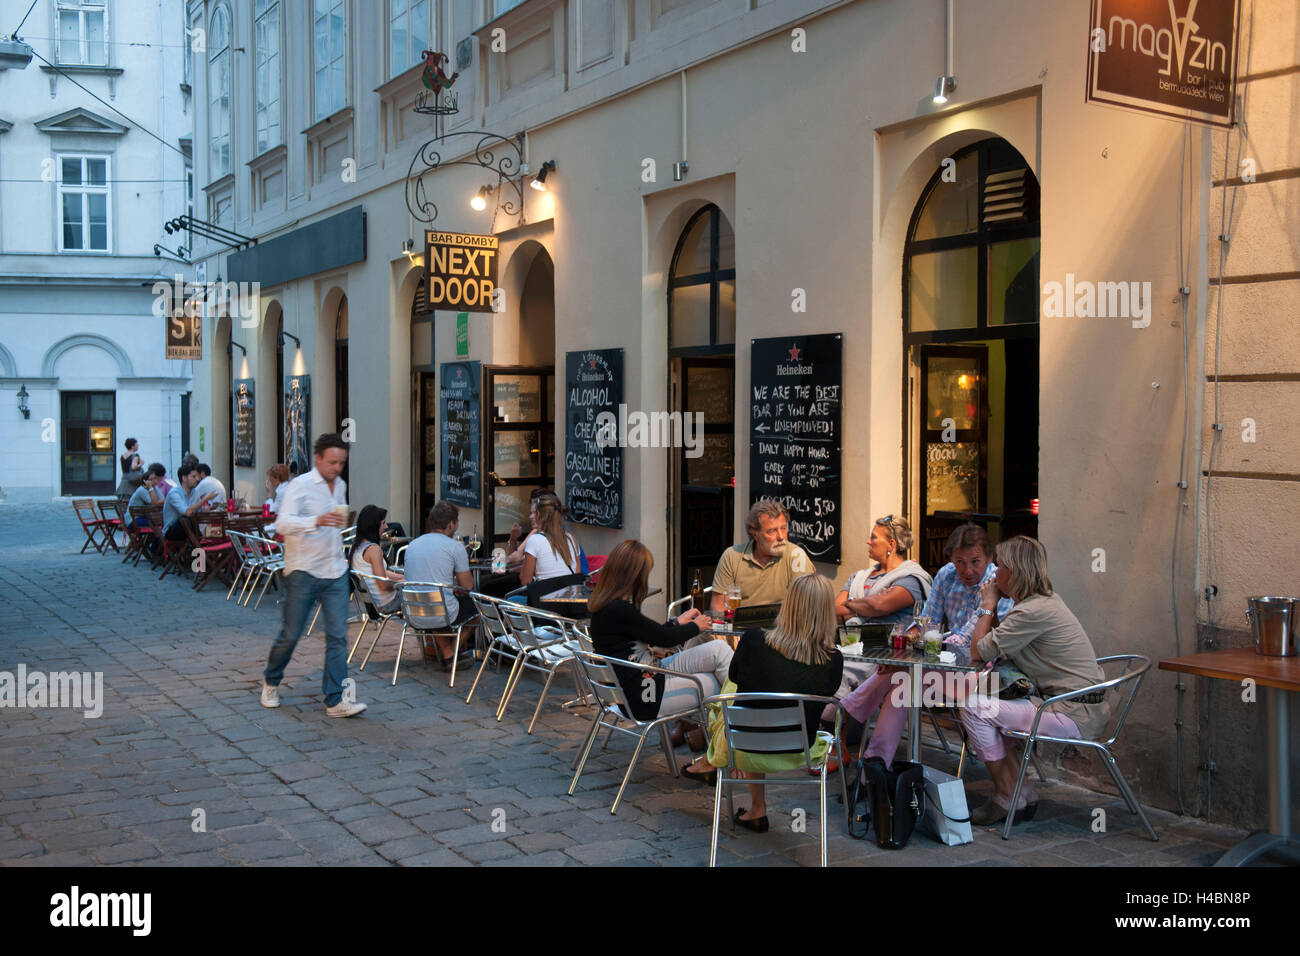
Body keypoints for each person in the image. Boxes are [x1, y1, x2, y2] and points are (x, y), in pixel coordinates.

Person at [959, 536, 1109, 826]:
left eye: (998, 566)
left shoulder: (1032, 611)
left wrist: (988, 605)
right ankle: (1022, 794)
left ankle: (1006, 797)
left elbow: (977, 650)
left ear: (1013, 571)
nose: (993, 573)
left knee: (973, 707)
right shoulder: (1043, 603)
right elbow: (997, 645)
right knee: (981, 698)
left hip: (1071, 713)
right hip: (1069, 704)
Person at [839, 523, 1007, 768]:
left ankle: (845, 723)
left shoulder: (997, 582)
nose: (967, 570)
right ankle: (874, 769)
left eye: (975, 562)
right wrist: (906, 648)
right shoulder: (947, 574)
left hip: (986, 677)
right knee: (903, 681)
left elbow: (970, 643)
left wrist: (908, 657)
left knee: (902, 676)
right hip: (943, 671)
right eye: (960, 562)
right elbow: (925, 622)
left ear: (990, 557)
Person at [587, 540, 727, 775]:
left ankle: (740, 725)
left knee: (719, 652)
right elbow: (663, 638)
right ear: (634, 576)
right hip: (646, 696)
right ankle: (739, 740)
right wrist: (696, 626)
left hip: (643, 681)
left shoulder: (606, 606)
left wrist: (678, 622)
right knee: (718, 683)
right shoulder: (621, 611)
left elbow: (652, 634)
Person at [719, 573, 845, 831]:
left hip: (744, 741)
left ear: (788, 605)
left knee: (742, 695)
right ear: (826, 613)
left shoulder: (754, 640)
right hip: (800, 747)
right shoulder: (834, 660)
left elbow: (733, 676)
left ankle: (756, 807)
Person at [261, 433, 367, 718]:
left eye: (341, 463)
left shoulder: (341, 485)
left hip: (334, 570)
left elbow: (336, 523)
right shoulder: (300, 486)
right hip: (303, 570)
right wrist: (316, 521)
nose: (337, 468)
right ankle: (271, 680)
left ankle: (335, 700)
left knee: (337, 636)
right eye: (332, 462)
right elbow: (282, 523)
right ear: (318, 458)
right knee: (292, 633)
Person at [403, 500, 478, 667]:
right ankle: (452, 652)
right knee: (477, 610)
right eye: (457, 522)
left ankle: (447, 653)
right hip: (441, 612)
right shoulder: (454, 547)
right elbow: (468, 587)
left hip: (414, 611)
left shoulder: (412, 545)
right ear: (451, 524)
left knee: (435, 603)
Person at [709, 500, 814, 617]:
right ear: (754, 534)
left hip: (781, 630)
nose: (780, 537)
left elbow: (807, 606)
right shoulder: (732, 556)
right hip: (741, 630)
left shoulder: (796, 556)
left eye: (783, 528)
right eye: (772, 531)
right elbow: (718, 606)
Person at [835, 515, 932, 628]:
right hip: (852, 643)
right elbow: (832, 613)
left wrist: (849, 603)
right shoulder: (858, 577)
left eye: (873, 537)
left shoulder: (911, 578)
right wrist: (867, 607)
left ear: (891, 545)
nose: (868, 542)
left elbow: (879, 606)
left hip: (890, 644)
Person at [349, 505, 405, 615]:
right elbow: (383, 585)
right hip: (388, 604)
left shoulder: (355, 547)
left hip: (373, 604)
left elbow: (380, 573)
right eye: (383, 523)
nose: (386, 526)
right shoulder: (373, 550)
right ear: (374, 526)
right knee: (426, 594)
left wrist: (404, 577)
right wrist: (402, 582)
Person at [519, 493, 581, 590]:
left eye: (534, 513)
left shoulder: (535, 540)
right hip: (570, 601)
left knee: (509, 599)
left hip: (544, 602)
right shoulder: (571, 538)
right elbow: (576, 576)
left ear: (538, 514)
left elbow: (525, 581)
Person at [162, 463, 216, 542]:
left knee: (209, 523)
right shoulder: (174, 493)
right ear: (184, 478)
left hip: (190, 529)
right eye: (193, 476)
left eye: (197, 476)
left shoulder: (195, 492)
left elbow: (198, 511)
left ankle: (206, 541)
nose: (197, 479)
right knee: (185, 519)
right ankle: (201, 545)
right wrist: (204, 499)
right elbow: (187, 512)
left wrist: (207, 508)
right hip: (172, 530)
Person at [264, 463, 291, 533]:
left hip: (279, 529)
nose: (269, 479)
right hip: (286, 526)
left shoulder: (282, 492)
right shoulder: (288, 487)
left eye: (271, 477)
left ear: (277, 477)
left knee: (253, 532)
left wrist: (268, 493)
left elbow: (272, 511)